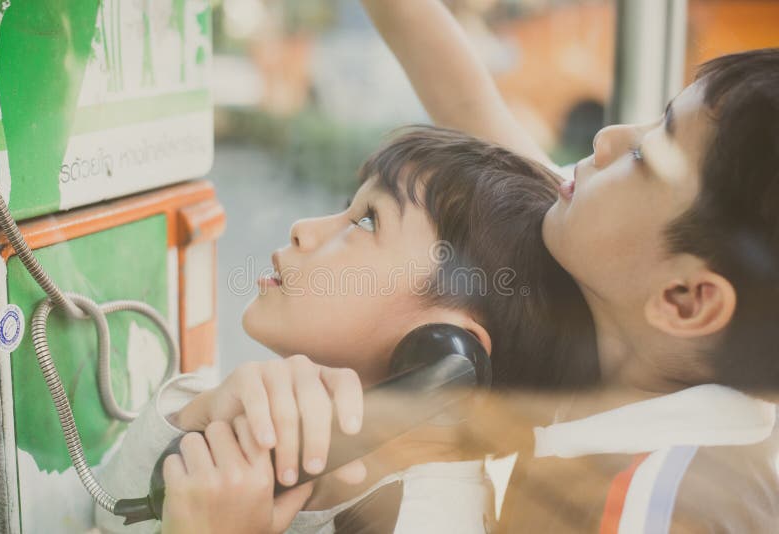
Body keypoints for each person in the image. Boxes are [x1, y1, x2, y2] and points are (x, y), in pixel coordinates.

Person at [94, 126, 597, 533]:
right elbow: (103, 516)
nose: (304, 228)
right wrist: (196, 420)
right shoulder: (315, 455)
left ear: (448, 358)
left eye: (367, 221)